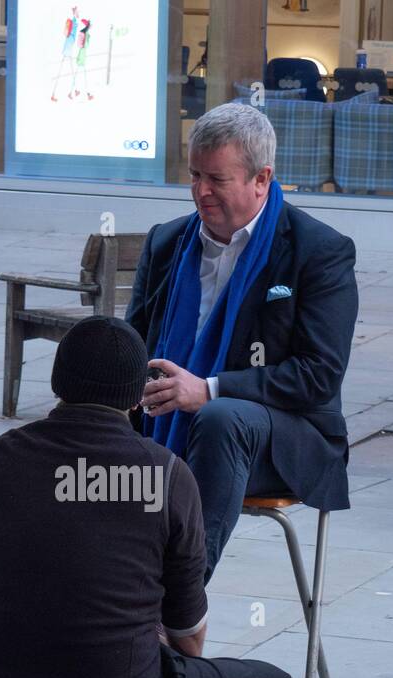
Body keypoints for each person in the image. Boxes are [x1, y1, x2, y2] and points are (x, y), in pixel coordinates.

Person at [0, 316, 295, 678]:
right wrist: (175, 673)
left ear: (57, 384)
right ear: (138, 397)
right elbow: (185, 626)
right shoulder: (166, 473)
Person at [126, 102, 359, 581]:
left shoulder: (319, 251)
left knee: (218, 417)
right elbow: (133, 346)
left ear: (261, 179)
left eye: (216, 179)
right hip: (164, 430)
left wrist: (208, 388)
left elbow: (318, 376)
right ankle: (83, 602)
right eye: (194, 175)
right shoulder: (166, 242)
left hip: (283, 439)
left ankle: (178, 603)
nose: (201, 191)